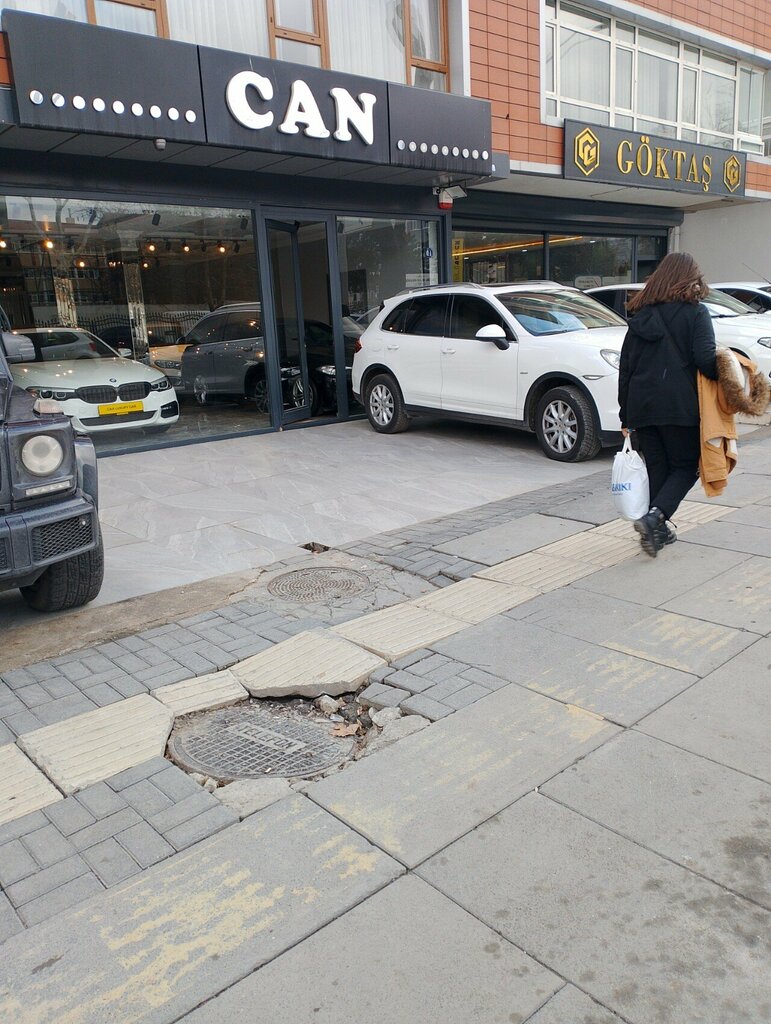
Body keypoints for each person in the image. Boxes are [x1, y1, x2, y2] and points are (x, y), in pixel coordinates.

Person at [618, 252, 718, 557]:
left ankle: (656, 531)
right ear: (690, 279)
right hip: (679, 404)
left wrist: (625, 413)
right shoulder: (696, 314)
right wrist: (727, 370)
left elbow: (626, 368)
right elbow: (706, 360)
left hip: (643, 405)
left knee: (659, 466)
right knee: (686, 467)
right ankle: (655, 518)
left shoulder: (640, 316)